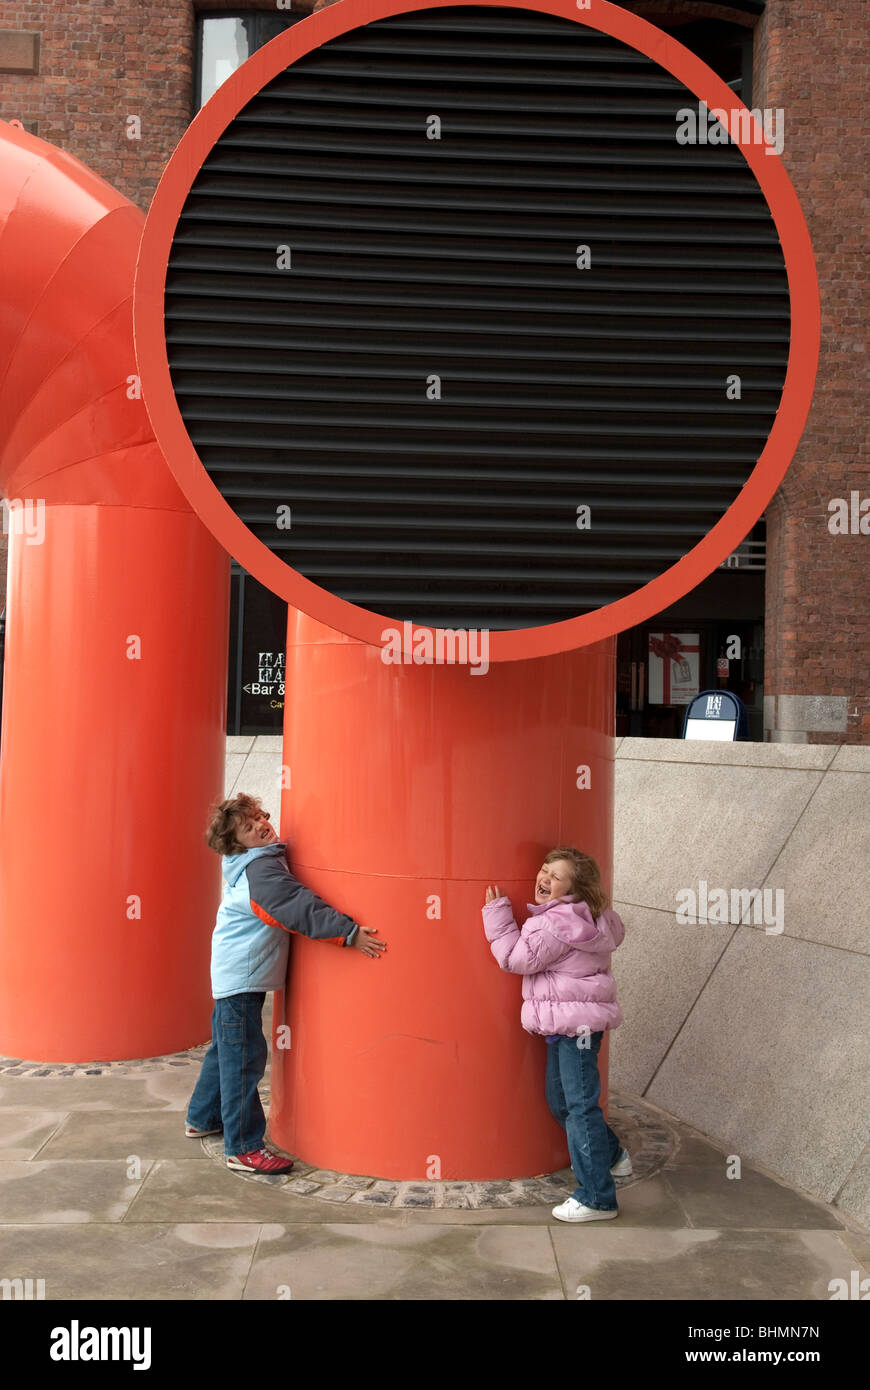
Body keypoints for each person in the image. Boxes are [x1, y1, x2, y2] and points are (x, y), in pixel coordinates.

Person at [186, 792, 385, 1174]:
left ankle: (202, 1116)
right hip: (241, 979)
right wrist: (348, 932)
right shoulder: (261, 873)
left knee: (225, 1051)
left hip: (233, 975)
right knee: (243, 1060)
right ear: (235, 842)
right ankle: (242, 1148)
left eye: (260, 816)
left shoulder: (252, 860)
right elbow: (296, 907)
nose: (262, 824)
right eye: (249, 826)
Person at [482, 847, 628, 1223]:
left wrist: (498, 917)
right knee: (563, 1102)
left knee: (578, 1107)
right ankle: (612, 1155)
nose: (544, 879)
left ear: (573, 889)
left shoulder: (554, 923)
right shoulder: (591, 918)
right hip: (577, 1027)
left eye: (556, 876)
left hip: (572, 1027)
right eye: (544, 870)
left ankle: (597, 1198)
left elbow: (515, 959)